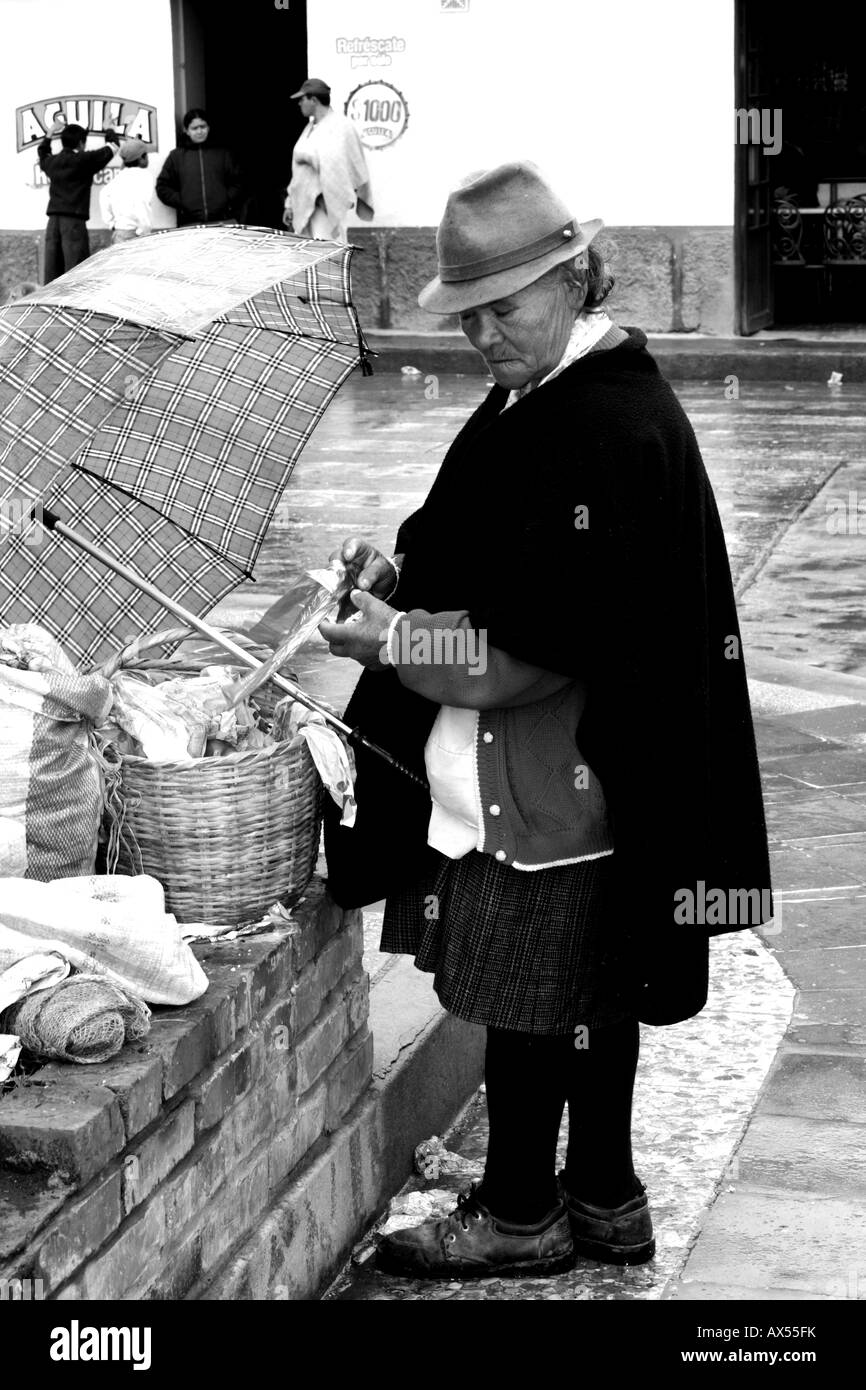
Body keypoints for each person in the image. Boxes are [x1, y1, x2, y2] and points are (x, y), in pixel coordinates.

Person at [318, 161, 772, 1279]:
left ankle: (519, 1213)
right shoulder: (548, 393)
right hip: (585, 777)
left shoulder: (600, 427)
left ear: (573, 278)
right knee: (588, 991)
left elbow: (525, 654)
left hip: (549, 782)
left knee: (521, 1000)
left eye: (502, 305)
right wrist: (403, 574)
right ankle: (605, 1198)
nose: (481, 331)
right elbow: (482, 548)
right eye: (466, 311)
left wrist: (391, 639)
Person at [284, 78, 373, 242]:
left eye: (302, 99)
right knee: (308, 256)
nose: (299, 104)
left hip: (326, 205)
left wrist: (312, 159)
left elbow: (347, 165)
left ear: (314, 99)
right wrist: (290, 203)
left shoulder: (341, 126)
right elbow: (300, 173)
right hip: (305, 204)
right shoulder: (309, 129)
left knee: (326, 253)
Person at [37, 122, 121, 282]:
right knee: (76, 273)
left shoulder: (52, 162)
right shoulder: (84, 160)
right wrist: (109, 129)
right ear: (81, 143)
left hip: (53, 223)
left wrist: (49, 133)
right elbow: (114, 147)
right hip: (74, 223)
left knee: (52, 274)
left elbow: (42, 153)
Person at [155, 109, 243, 227]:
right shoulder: (176, 156)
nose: (200, 131)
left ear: (209, 127)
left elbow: (239, 181)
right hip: (189, 223)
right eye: (194, 128)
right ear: (186, 131)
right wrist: (182, 201)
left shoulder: (223, 154)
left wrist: (225, 200)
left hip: (223, 220)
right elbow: (162, 186)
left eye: (203, 126)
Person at [99, 140, 154, 243]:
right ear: (142, 157)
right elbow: (142, 203)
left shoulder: (119, 176)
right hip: (137, 234)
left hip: (119, 233)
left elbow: (103, 195)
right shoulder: (144, 176)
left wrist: (111, 223)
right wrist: (144, 230)